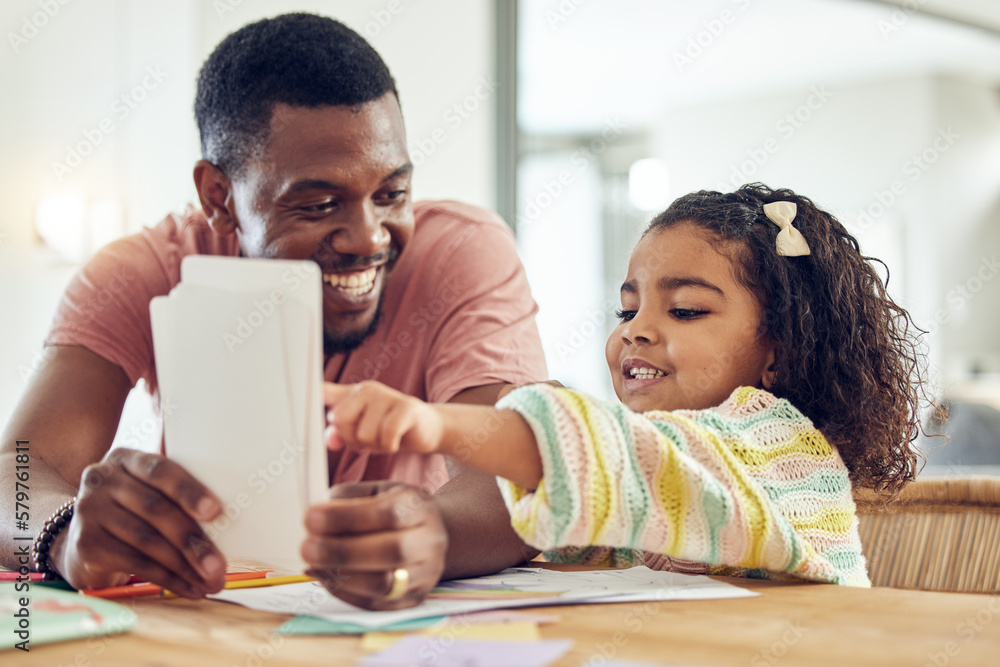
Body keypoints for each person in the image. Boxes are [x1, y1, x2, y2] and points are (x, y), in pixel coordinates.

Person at [0, 13, 548, 610]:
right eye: (317, 204)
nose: (369, 237)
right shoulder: (144, 270)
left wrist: (433, 532)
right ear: (220, 197)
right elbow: (18, 471)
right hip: (211, 617)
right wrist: (61, 530)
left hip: (401, 624)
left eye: (391, 194)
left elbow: (515, 466)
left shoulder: (462, 251)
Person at [321, 183, 932, 587]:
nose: (636, 332)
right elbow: (568, 520)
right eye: (626, 310)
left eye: (686, 310)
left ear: (780, 351)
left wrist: (434, 422)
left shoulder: (781, 448)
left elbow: (631, 463)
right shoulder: (636, 472)